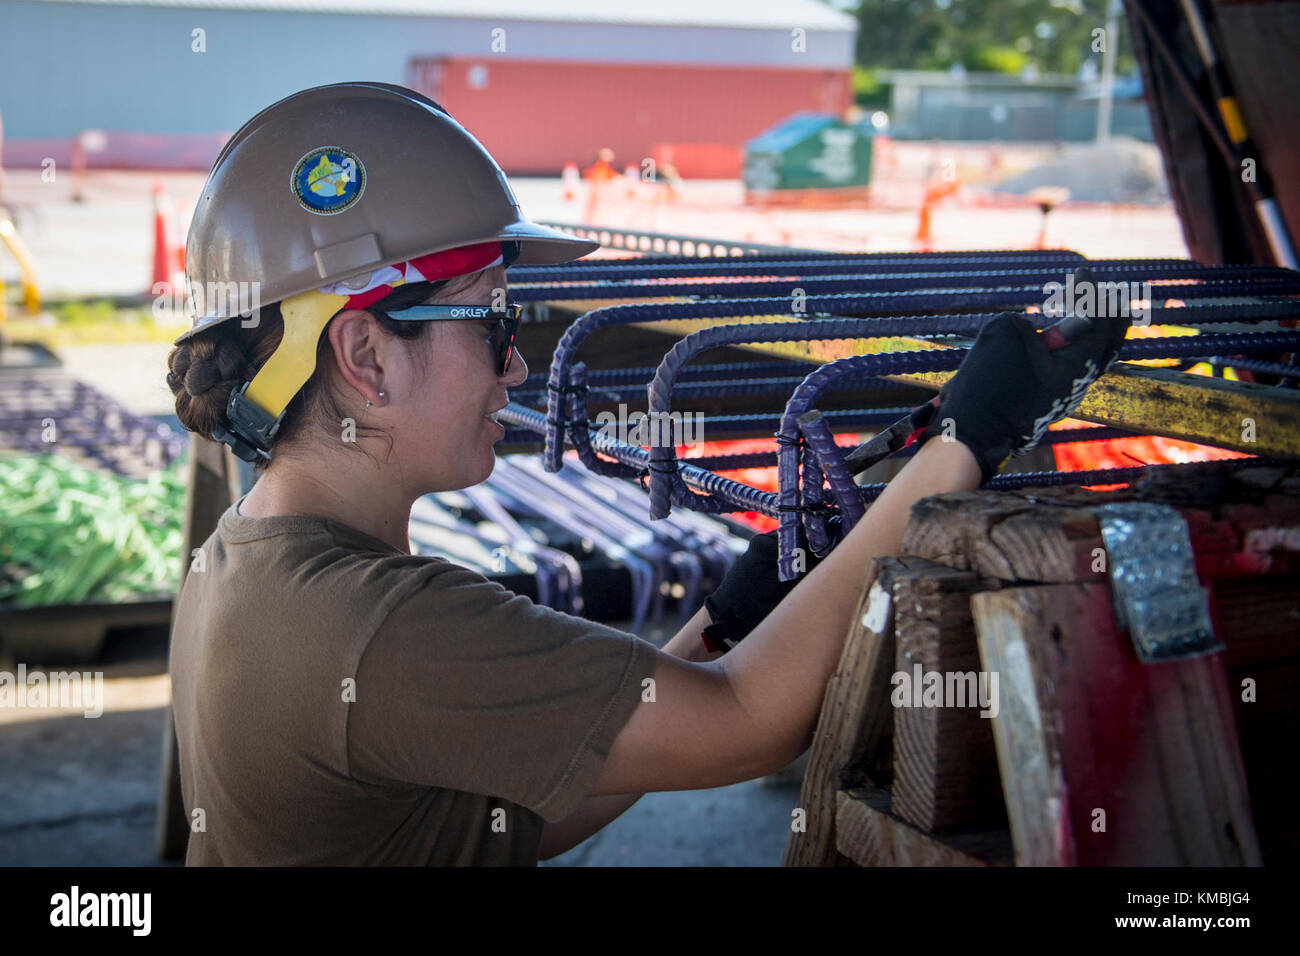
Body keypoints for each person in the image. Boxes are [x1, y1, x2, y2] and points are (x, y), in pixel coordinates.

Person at [164, 82, 1128, 866]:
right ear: (366, 359)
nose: (518, 366)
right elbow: (749, 724)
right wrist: (967, 436)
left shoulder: (249, 561)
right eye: (496, 321)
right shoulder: (377, 626)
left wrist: (726, 623)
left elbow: (506, 820)